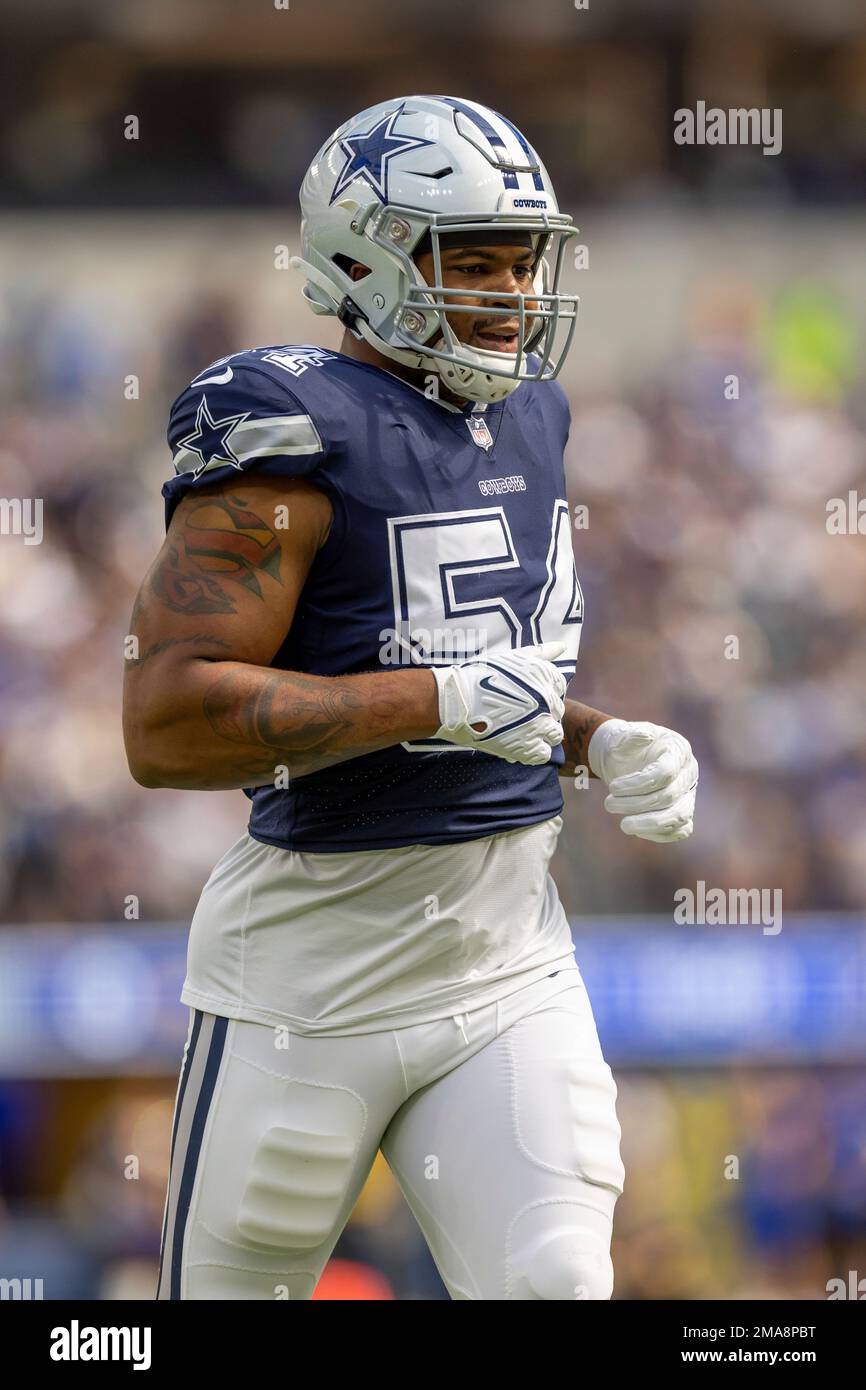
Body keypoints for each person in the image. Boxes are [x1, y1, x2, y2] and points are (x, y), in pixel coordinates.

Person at [123, 95, 698, 1301]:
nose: (507, 291)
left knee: (553, 1285)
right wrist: (431, 699)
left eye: (520, 259)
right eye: (469, 259)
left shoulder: (531, 412)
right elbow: (166, 721)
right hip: (307, 972)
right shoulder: (279, 424)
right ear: (357, 255)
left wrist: (599, 739)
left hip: (504, 953)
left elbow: (484, 680)